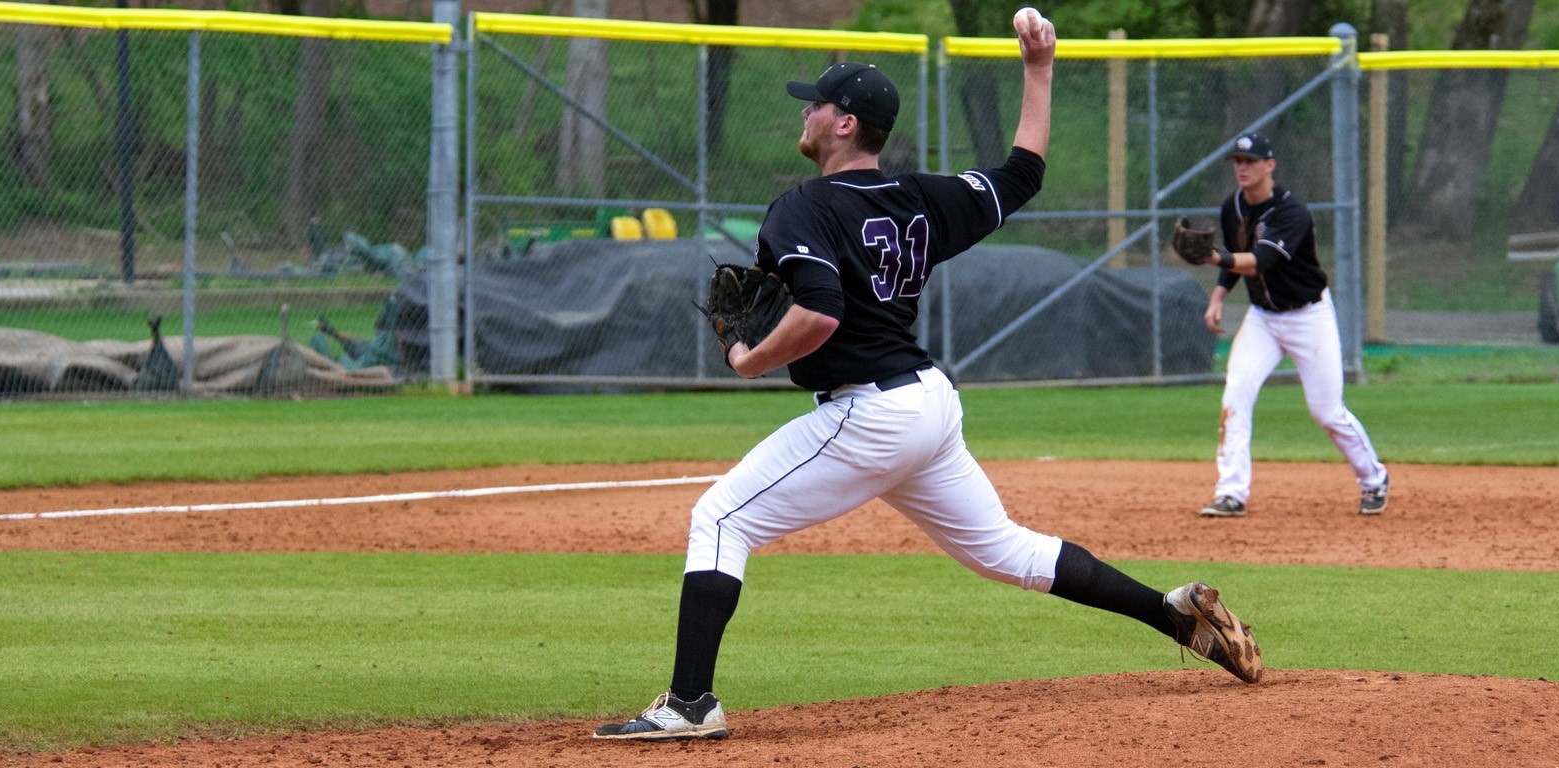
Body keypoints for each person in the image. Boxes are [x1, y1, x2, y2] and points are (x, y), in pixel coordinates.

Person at [593, 8, 1263, 743]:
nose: (807, 111)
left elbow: (818, 314)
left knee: (720, 518)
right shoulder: (920, 197)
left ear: (844, 124)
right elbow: (1023, 173)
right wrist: (1038, 68)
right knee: (1006, 551)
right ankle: (1170, 612)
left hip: (869, 415)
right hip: (928, 406)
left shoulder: (801, 209)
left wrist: (748, 359)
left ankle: (689, 705)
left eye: (816, 102)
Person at [1187, 133, 1390, 518]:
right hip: (1263, 318)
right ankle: (1231, 493)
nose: (1242, 168)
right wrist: (1217, 295)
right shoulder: (1232, 207)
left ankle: (1374, 479)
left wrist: (1215, 258)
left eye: (1250, 161)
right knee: (1235, 395)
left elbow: (1259, 261)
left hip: (1308, 316)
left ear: (1270, 165)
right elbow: (1236, 261)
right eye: (1237, 162)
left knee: (1327, 411)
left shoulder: (1292, 212)